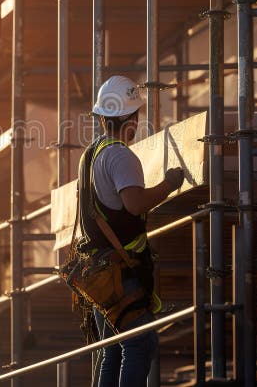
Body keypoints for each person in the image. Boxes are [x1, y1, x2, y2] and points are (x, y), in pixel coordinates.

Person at [76, 75, 185, 387]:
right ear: (132, 119)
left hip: (100, 271)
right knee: (139, 344)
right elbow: (135, 203)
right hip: (118, 270)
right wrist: (170, 184)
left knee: (112, 351)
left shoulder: (92, 153)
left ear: (102, 118)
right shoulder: (120, 155)